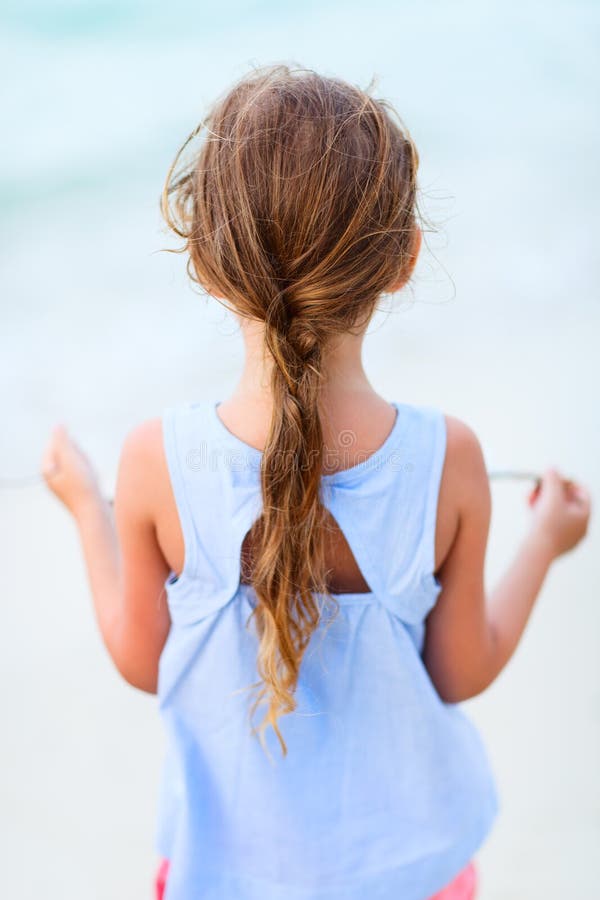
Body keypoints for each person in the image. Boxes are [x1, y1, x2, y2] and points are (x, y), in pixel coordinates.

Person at [41, 65, 591, 900]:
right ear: (404, 259)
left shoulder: (157, 459)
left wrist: (87, 506)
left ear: (207, 259)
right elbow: (461, 669)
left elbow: (145, 661)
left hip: (224, 873)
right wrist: (545, 542)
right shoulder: (448, 457)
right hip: (411, 874)